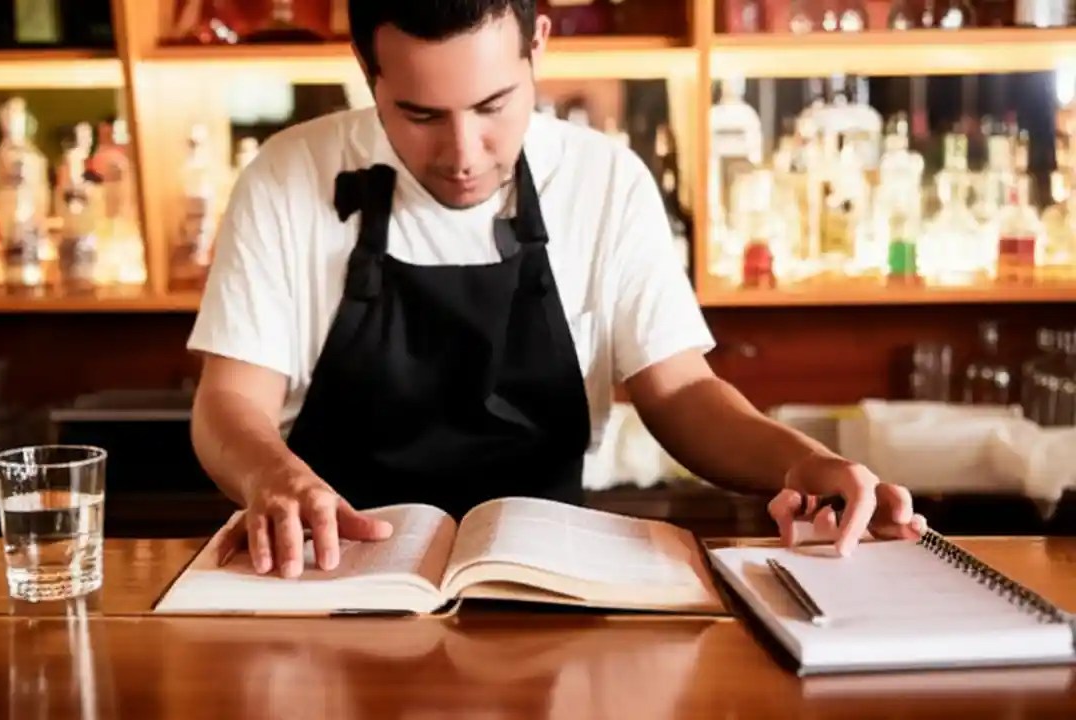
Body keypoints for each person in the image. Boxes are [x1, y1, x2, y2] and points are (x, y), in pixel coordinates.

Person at [187, 0, 926, 579]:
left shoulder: (607, 181)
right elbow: (228, 403)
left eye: (492, 105)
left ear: (538, 44)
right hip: (331, 568)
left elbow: (678, 392)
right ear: (366, 68)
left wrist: (799, 461)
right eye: (420, 115)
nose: (463, 154)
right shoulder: (286, 176)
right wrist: (272, 477)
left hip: (545, 576)